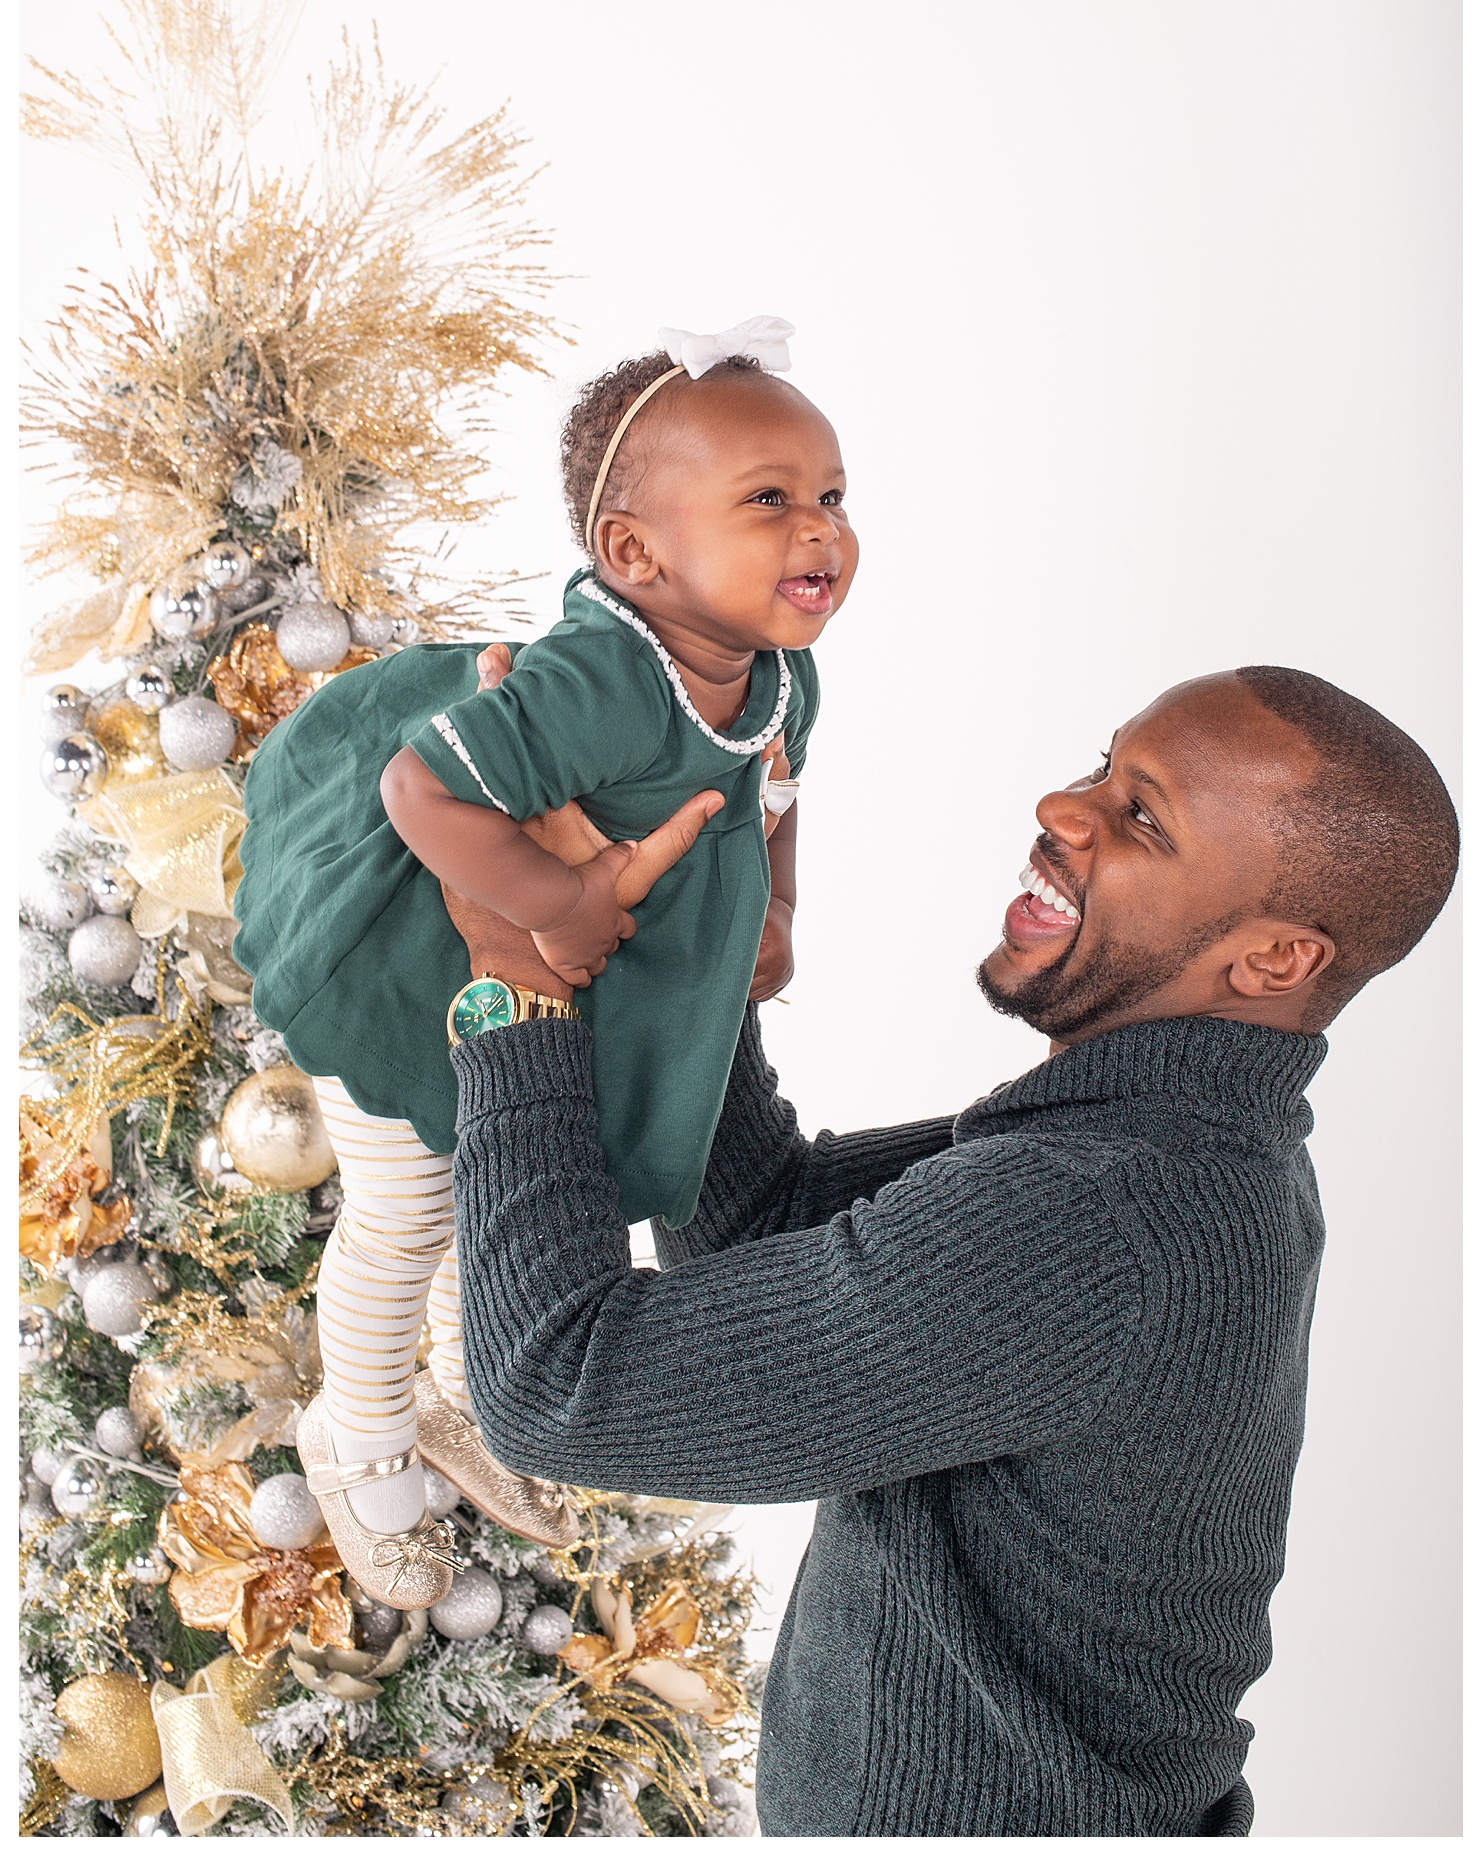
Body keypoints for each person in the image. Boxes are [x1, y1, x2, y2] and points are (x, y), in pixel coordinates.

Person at [440, 664, 1458, 1836]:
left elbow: (556, 1385)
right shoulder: (1165, 1147)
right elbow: (765, 1225)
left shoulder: (1098, 1218)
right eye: (1101, 766)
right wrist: (705, 940)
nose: (1061, 808)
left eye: (1141, 818)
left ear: (1276, 961)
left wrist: (513, 986)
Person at [231, 318, 858, 1607]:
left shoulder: (784, 677)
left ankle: (468, 1383)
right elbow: (422, 788)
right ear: (635, 553)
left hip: (547, 994)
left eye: (833, 498)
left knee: (506, 1178)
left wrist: (774, 914)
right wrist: (559, 904)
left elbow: (780, 796)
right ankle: (352, 1440)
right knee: (408, 1204)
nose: (819, 532)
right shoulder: (602, 682)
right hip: (409, 954)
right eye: (769, 502)